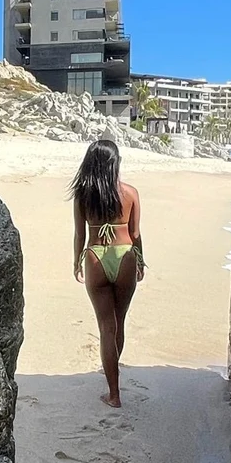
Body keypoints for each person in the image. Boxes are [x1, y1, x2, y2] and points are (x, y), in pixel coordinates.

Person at [71, 137, 144, 408]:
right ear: (115, 164)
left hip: (95, 257)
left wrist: (76, 262)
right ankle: (112, 377)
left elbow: (80, 234)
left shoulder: (83, 195)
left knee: (105, 326)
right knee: (119, 321)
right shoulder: (130, 193)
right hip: (124, 256)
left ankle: (113, 393)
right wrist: (141, 261)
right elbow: (135, 234)